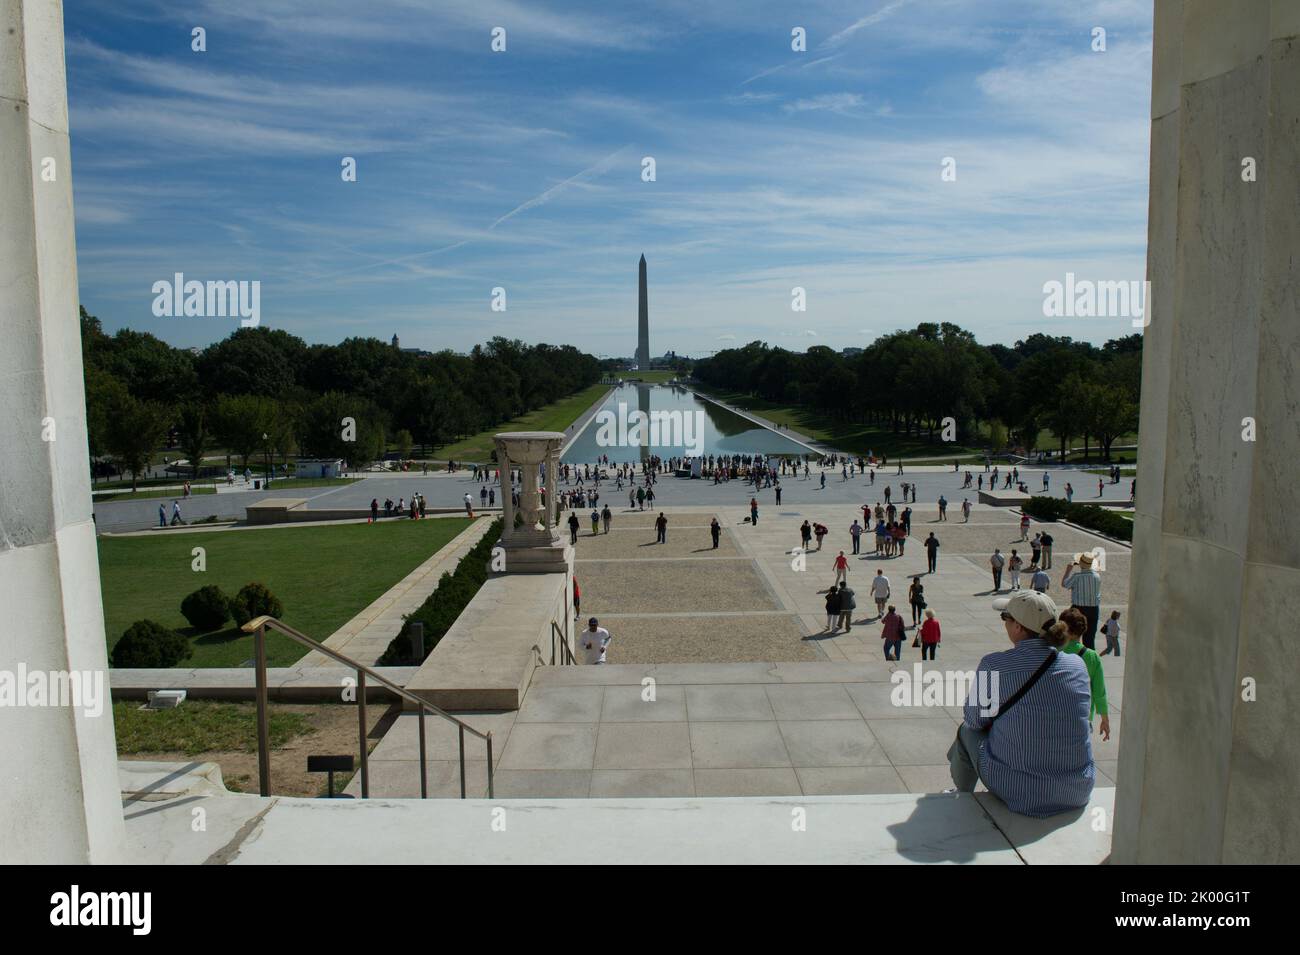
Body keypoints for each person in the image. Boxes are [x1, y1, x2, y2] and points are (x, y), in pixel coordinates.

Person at [945, 590, 1094, 817]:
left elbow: (973, 720)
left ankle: (962, 795)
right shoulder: (1077, 665)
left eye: (1006, 618)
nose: (1005, 623)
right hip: (1076, 789)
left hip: (1021, 792)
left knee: (965, 732)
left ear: (1019, 627)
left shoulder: (995, 664)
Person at [1060, 608, 1111, 741]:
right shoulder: (1092, 657)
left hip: (1057, 718)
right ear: (1083, 629)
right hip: (1082, 719)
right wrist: (1104, 718)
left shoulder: (1054, 652)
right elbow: (1099, 692)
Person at [1061, 553, 1102, 650]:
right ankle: (1090, 660)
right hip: (1093, 609)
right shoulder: (1097, 576)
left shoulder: (1077, 576)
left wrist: (1068, 570)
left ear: (1080, 563)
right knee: (1090, 639)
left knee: (1073, 636)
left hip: (1078, 609)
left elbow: (1064, 584)